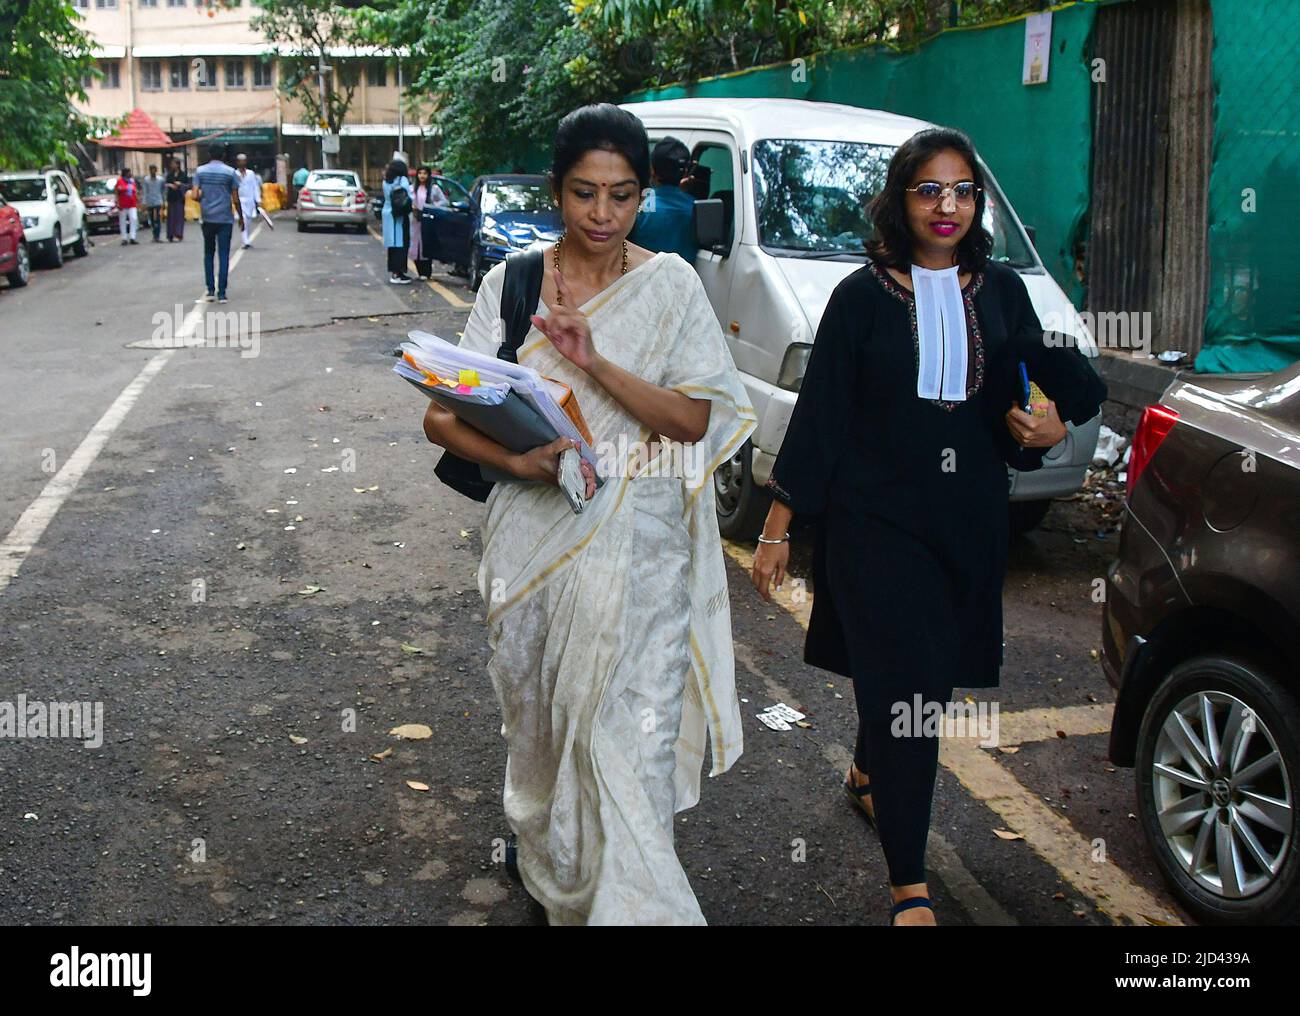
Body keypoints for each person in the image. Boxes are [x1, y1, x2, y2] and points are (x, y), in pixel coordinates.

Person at [749, 127, 1107, 926]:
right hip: (874, 527)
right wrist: (777, 527)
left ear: (977, 202)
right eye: (928, 190)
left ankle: (870, 773)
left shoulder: (1002, 292)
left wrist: (1054, 424)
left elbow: (1077, 380)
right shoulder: (862, 297)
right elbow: (820, 420)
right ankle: (908, 881)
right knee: (908, 683)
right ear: (899, 199)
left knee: (922, 687)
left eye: (963, 190)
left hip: (966, 525)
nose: (947, 206)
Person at [421, 103, 756, 925]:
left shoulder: (670, 286)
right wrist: (515, 461)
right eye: (584, 194)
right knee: (545, 728)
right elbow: (441, 414)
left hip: (642, 553)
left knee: (625, 742)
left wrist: (591, 358)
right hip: (534, 543)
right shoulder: (514, 284)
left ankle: (632, 906)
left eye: (623, 196)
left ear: (645, 196)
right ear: (555, 191)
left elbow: (691, 422)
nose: (603, 216)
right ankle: (557, 866)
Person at [628, 136, 698, 264]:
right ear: (686, 172)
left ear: (652, 170)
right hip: (683, 282)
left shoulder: (640, 207)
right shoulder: (697, 210)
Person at [190, 144, 244, 303]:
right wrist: (241, 217)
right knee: (224, 254)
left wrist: (205, 199)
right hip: (225, 218)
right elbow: (235, 198)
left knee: (208, 253)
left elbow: (194, 195)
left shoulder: (200, 171)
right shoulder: (230, 172)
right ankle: (222, 293)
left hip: (207, 217)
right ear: (223, 156)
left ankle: (211, 290)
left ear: (209, 154)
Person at [382, 158, 414, 284]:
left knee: (392, 244)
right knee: (401, 243)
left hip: (388, 212)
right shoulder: (403, 180)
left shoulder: (386, 181)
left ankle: (394, 272)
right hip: (399, 215)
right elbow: (408, 197)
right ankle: (399, 273)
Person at [408, 166, 435, 279]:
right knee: (415, 246)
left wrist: (432, 208)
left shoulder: (434, 189)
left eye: (424, 173)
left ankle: (426, 272)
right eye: (420, 173)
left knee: (426, 245)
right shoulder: (411, 188)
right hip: (414, 220)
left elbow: (443, 201)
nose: (422, 176)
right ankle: (420, 272)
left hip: (428, 221)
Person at [235, 153, 261, 250]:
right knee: (244, 220)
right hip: (240, 201)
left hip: (250, 201)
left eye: (244, 160)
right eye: (240, 160)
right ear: (237, 162)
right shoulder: (234, 174)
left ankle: (247, 239)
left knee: (248, 221)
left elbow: (255, 187)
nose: (242, 162)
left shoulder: (251, 173)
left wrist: (258, 200)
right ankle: (245, 241)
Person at [165, 158, 188, 242]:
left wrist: (180, 184)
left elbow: (188, 185)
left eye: (173, 164)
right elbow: (166, 183)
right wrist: (170, 185)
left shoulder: (183, 174)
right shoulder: (169, 175)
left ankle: (179, 233)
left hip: (179, 197)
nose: (172, 165)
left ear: (177, 165)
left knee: (179, 216)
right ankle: (170, 234)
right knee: (171, 216)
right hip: (171, 197)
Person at [114, 168, 139, 245]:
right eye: (128, 172)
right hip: (123, 205)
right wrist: (117, 202)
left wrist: (138, 200)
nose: (130, 174)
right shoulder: (120, 181)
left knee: (133, 219)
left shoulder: (132, 181)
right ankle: (124, 238)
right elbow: (116, 192)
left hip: (132, 204)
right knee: (122, 221)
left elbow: (135, 191)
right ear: (125, 173)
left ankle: (132, 237)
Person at [141, 165, 165, 243]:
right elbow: (145, 191)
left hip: (158, 200)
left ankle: (157, 236)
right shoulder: (146, 180)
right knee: (151, 219)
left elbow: (163, 191)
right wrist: (144, 202)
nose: (153, 172)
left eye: (154, 170)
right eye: (151, 170)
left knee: (157, 219)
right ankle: (154, 235)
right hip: (150, 201)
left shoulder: (160, 180)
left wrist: (163, 201)